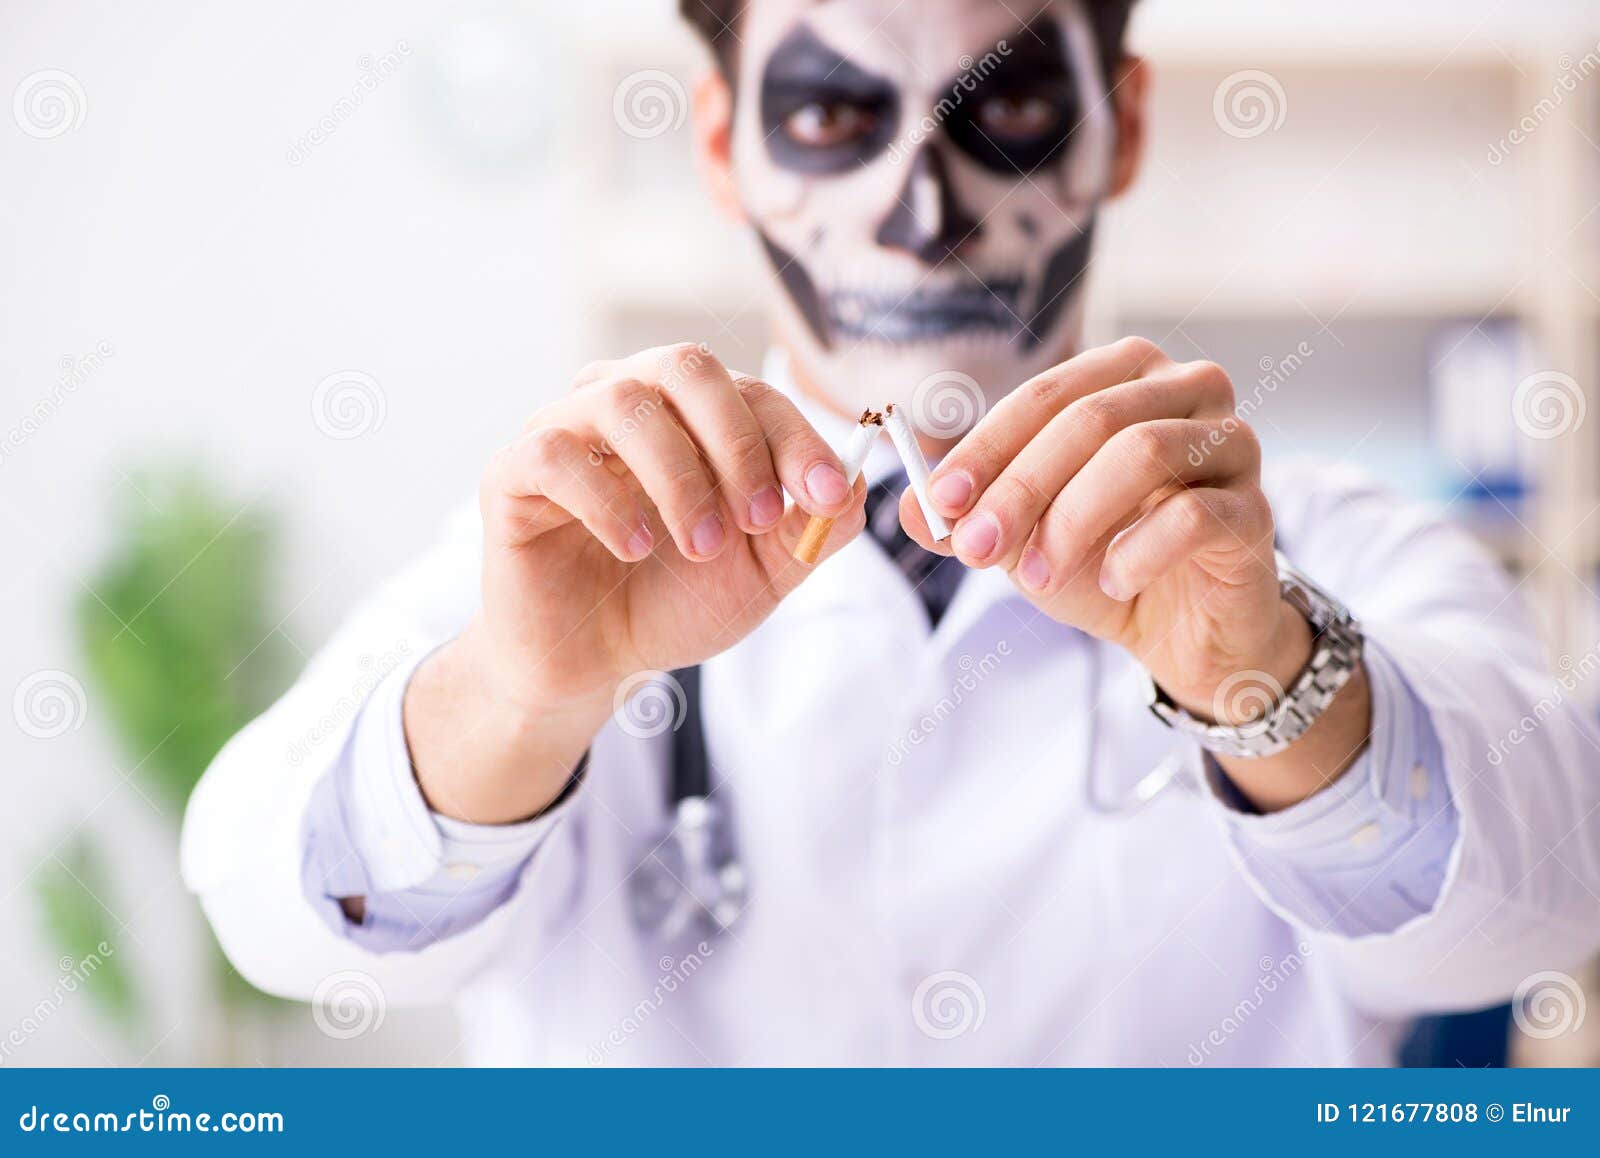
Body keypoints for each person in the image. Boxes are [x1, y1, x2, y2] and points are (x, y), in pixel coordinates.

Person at [181, 0, 1600, 1065]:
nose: (925, 218)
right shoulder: (566, 559)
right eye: (830, 120)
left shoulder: (1329, 555)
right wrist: (521, 692)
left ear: (1128, 124)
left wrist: (1267, 682)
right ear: (727, 149)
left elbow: (1540, 903)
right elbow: (278, 903)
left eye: (1010, 116)